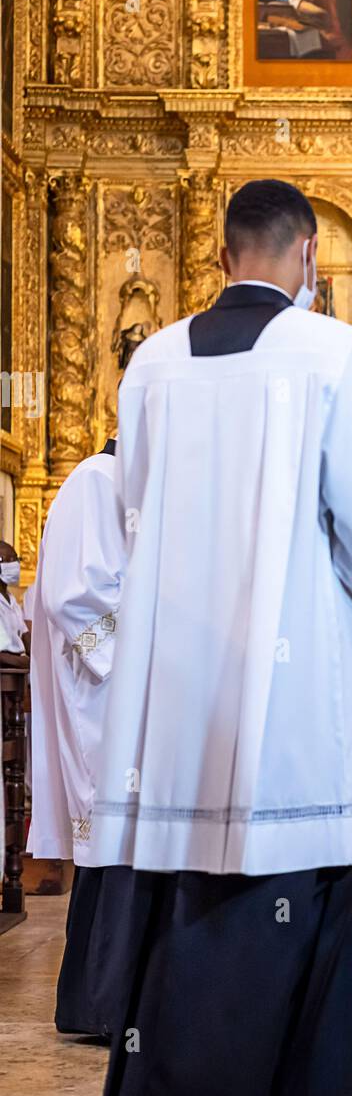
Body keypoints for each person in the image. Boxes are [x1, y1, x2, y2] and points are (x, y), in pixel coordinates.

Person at [89, 179, 352, 1096]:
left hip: (178, 704)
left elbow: (139, 510)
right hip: (294, 708)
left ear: (223, 253)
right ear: (310, 255)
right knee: (295, 915)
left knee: (187, 915)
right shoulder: (330, 353)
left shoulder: (152, 362)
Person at [27, 437, 130, 1037]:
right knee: (112, 842)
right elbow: (74, 600)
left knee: (125, 850)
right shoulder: (98, 478)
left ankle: (101, 1003)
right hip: (107, 696)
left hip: (134, 696)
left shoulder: (132, 484)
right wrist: (139, 656)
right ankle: (102, 1005)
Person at [0, 541, 29, 663]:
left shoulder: (11, 600)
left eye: (16, 559)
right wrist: (29, 664)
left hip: (18, 668)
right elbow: (2, 656)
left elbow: (25, 635)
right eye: (10, 559)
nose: (15, 564)